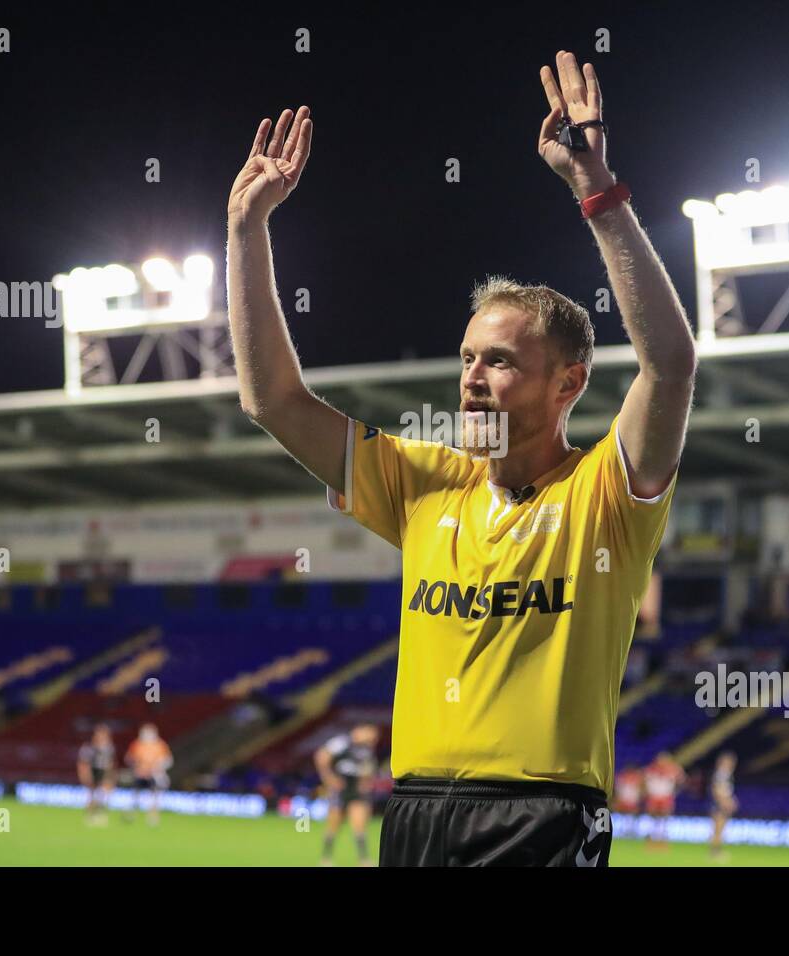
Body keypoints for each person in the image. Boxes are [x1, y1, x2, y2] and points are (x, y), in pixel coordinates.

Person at [226, 49, 696, 866]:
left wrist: (599, 192)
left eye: (502, 361)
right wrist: (246, 231)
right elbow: (273, 399)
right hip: (414, 817)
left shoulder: (604, 495)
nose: (473, 378)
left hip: (542, 820)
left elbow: (671, 366)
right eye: (468, 357)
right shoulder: (423, 481)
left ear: (567, 384)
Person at [315, 724, 380, 866]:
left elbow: (368, 768)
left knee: (359, 825)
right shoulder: (342, 742)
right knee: (334, 824)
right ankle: (326, 858)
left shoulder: (367, 749)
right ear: (359, 730)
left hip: (357, 791)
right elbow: (321, 756)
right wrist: (328, 778)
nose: (373, 738)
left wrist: (366, 781)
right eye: (370, 734)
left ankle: (364, 860)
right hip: (340, 789)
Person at [123, 723, 173, 826]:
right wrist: (137, 766)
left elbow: (168, 760)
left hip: (153, 775)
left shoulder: (160, 745)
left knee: (154, 795)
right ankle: (132, 813)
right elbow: (129, 758)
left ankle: (153, 816)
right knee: (136, 794)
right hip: (140, 774)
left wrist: (157, 767)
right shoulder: (137, 744)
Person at [643, 751, 685, 850]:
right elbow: (644, 780)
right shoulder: (651, 769)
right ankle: (651, 839)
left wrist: (675, 792)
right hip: (654, 797)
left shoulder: (674, 769)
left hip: (666, 797)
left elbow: (682, 780)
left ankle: (662, 839)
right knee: (652, 818)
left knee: (664, 818)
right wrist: (647, 791)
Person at [76, 723, 116, 826]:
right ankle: (89, 815)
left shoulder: (109, 748)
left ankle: (100, 814)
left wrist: (110, 774)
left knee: (104, 793)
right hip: (93, 771)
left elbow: (110, 762)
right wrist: (85, 774)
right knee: (92, 794)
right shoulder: (89, 747)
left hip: (103, 771)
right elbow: (83, 762)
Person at [709, 751, 738, 860]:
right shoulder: (722, 774)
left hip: (720, 803)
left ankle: (715, 852)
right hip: (719, 804)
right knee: (718, 829)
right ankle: (715, 853)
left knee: (719, 830)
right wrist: (725, 802)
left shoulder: (725, 774)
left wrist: (731, 800)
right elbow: (716, 789)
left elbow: (726, 790)